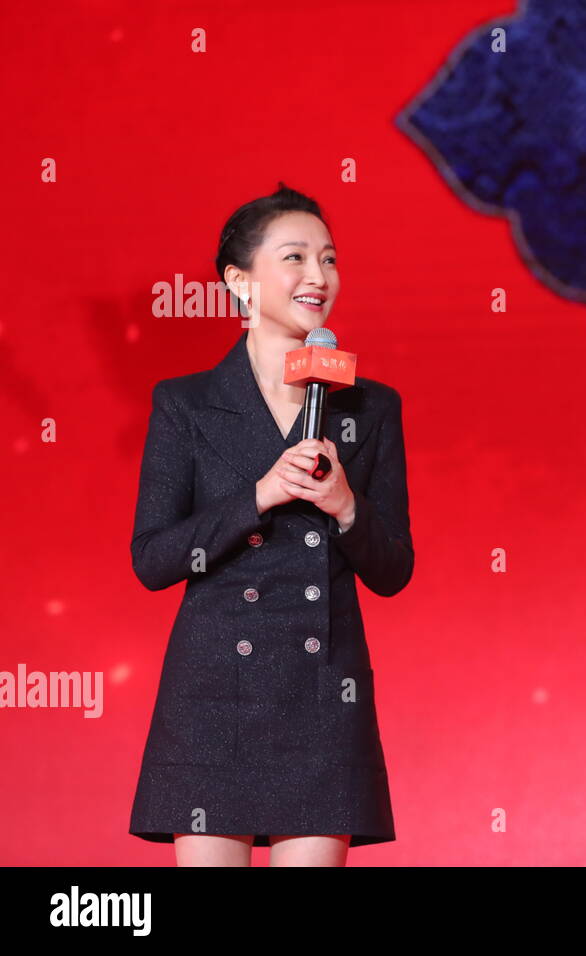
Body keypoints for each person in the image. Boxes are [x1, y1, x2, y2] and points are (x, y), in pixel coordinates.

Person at [128, 183, 414, 866]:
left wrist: (345, 504)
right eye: (296, 257)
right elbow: (153, 558)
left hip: (322, 702)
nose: (319, 277)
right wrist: (256, 496)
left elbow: (394, 570)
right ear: (240, 281)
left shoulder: (368, 408)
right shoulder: (185, 404)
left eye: (330, 259)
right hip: (212, 699)